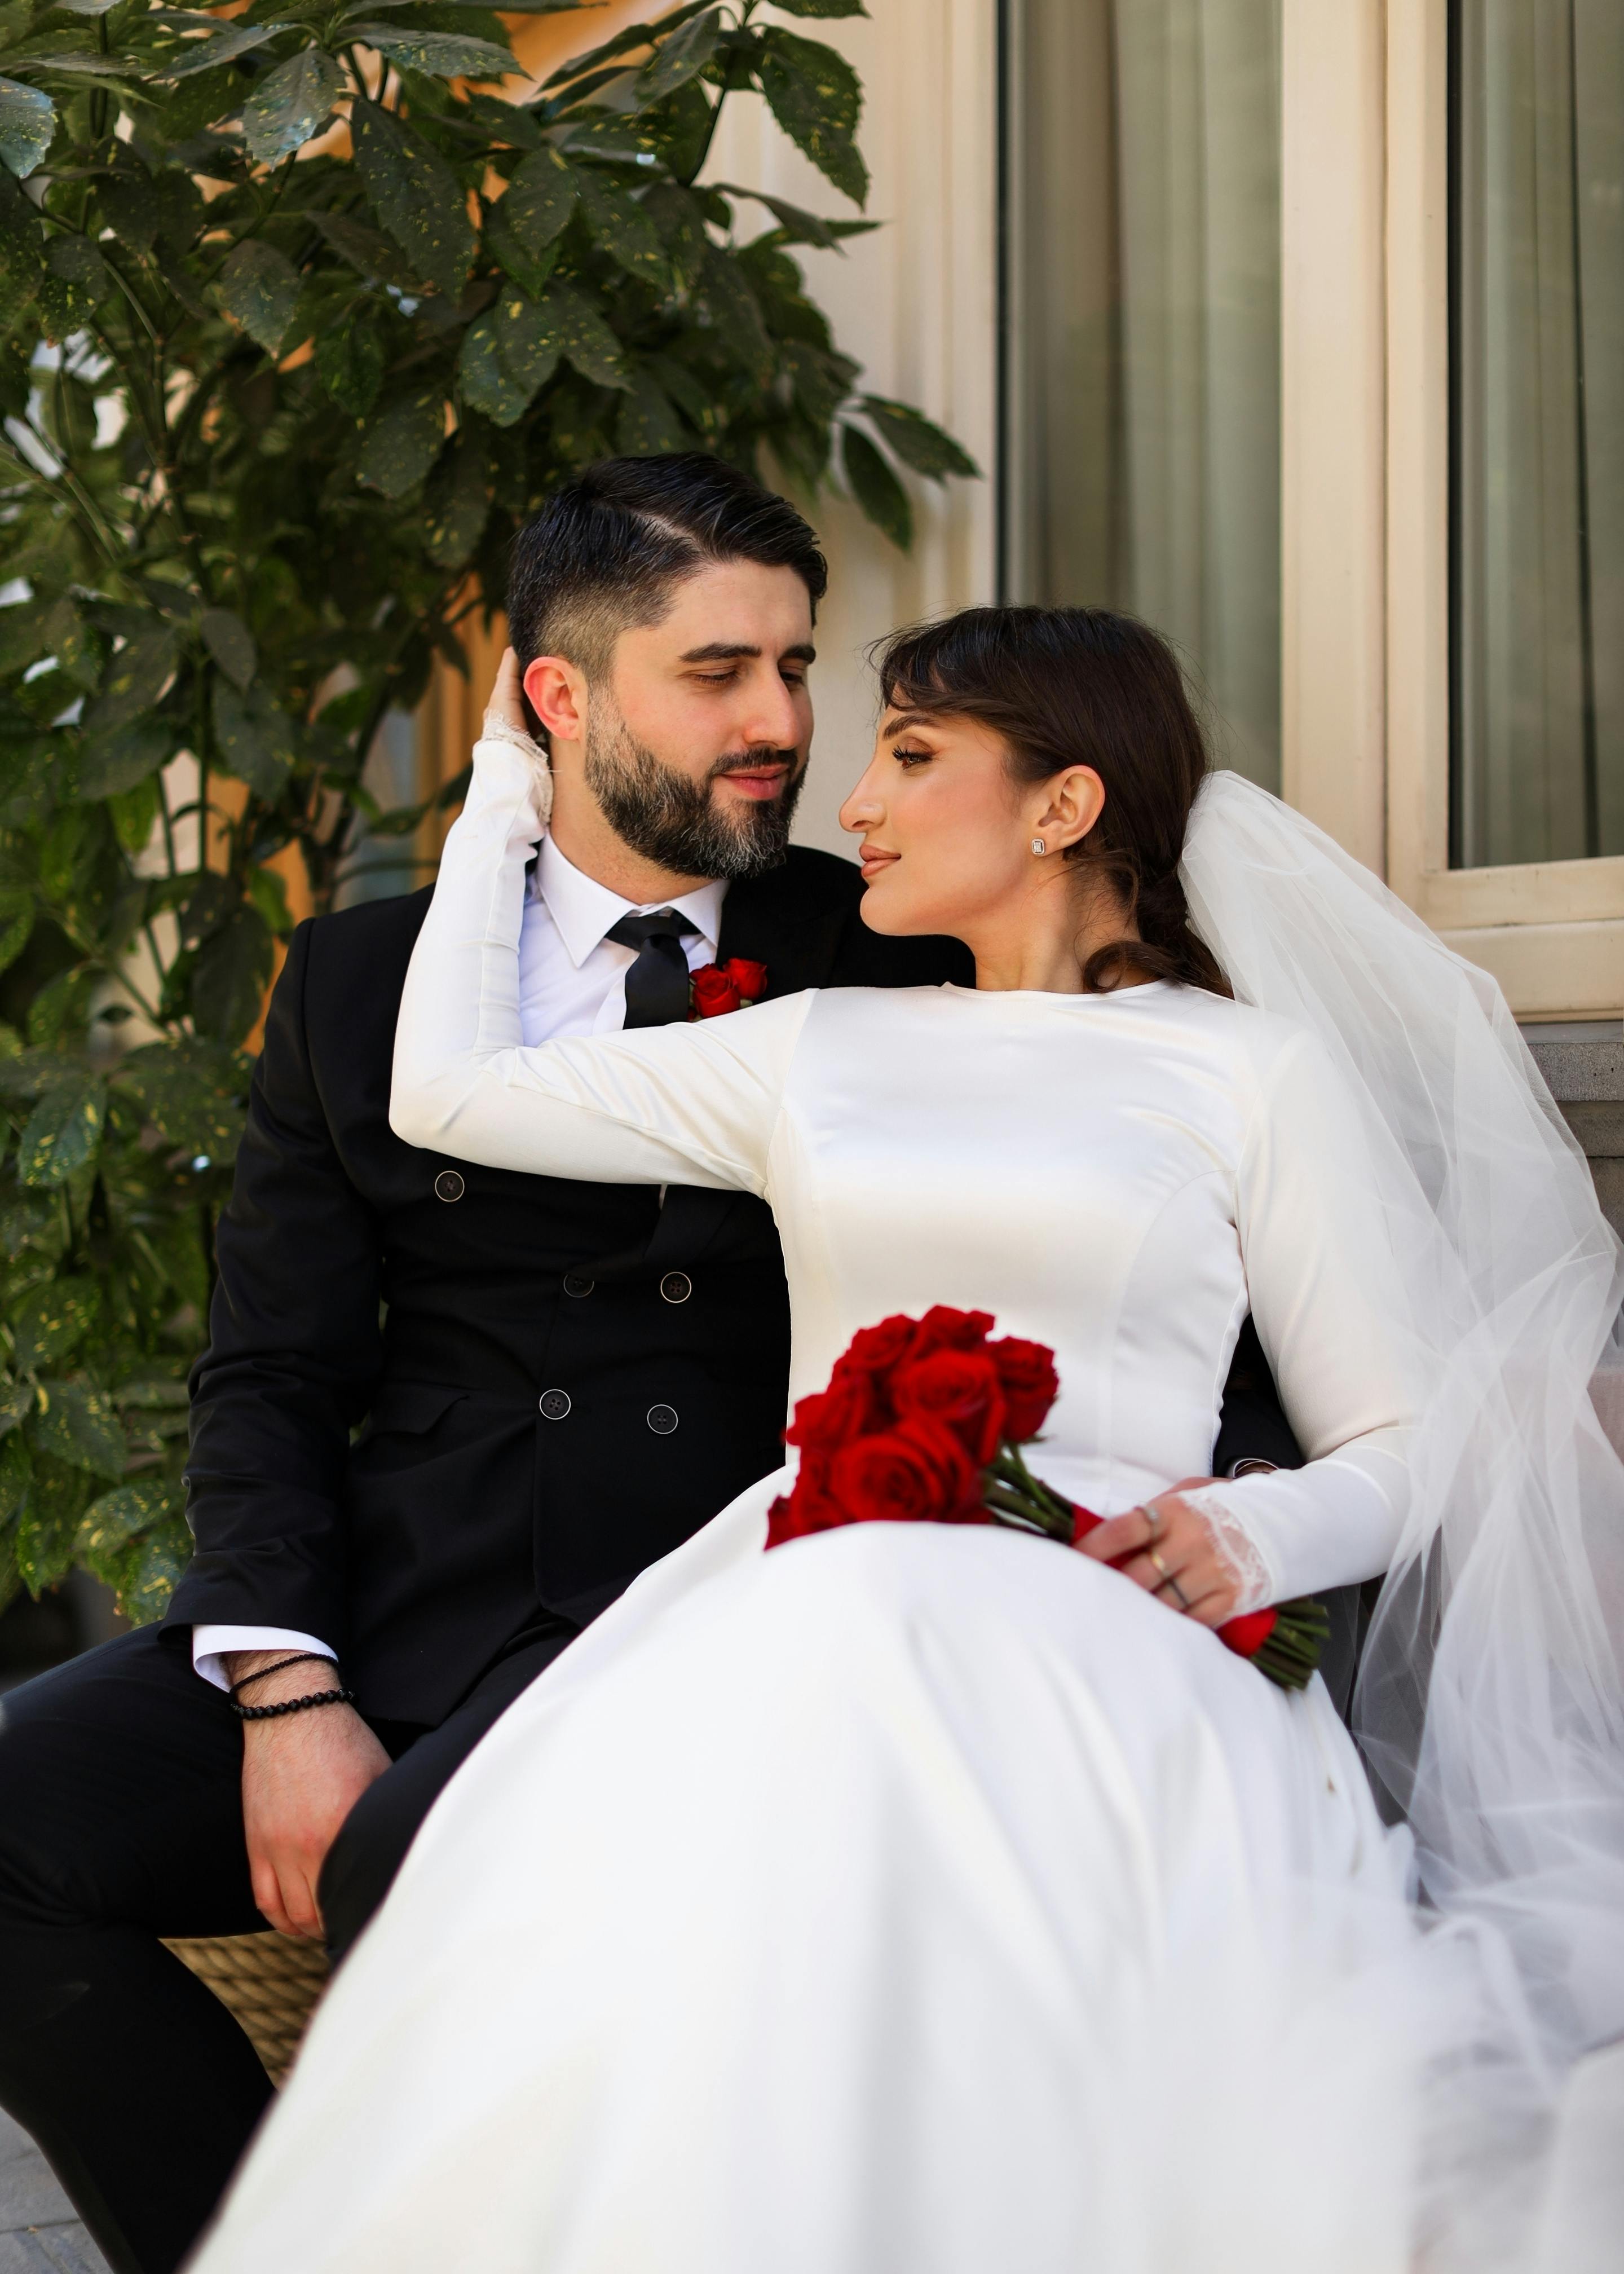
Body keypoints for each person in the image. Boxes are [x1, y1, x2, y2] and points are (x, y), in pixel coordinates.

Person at [188, 606, 1624, 2272]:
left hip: (1121, 1612)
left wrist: (1256, 1538)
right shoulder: (819, 1048)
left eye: (913, 758)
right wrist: (511, 785)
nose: (853, 802)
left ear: (1061, 807)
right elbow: (448, 1092)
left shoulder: (1251, 1073)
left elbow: (1413, 1430)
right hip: (813, 1583)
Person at [0, 464, 1315, 2274]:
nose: (786, 727)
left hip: (688, 1603)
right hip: (405, 1582)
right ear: (560, 697)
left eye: (800, 667)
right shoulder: (362, 980)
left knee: (429, 1871)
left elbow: (1136, 1232)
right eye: (720, 674)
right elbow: (275, 1371)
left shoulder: (895, 946)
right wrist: (284, 1685)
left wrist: (1228, 1504)